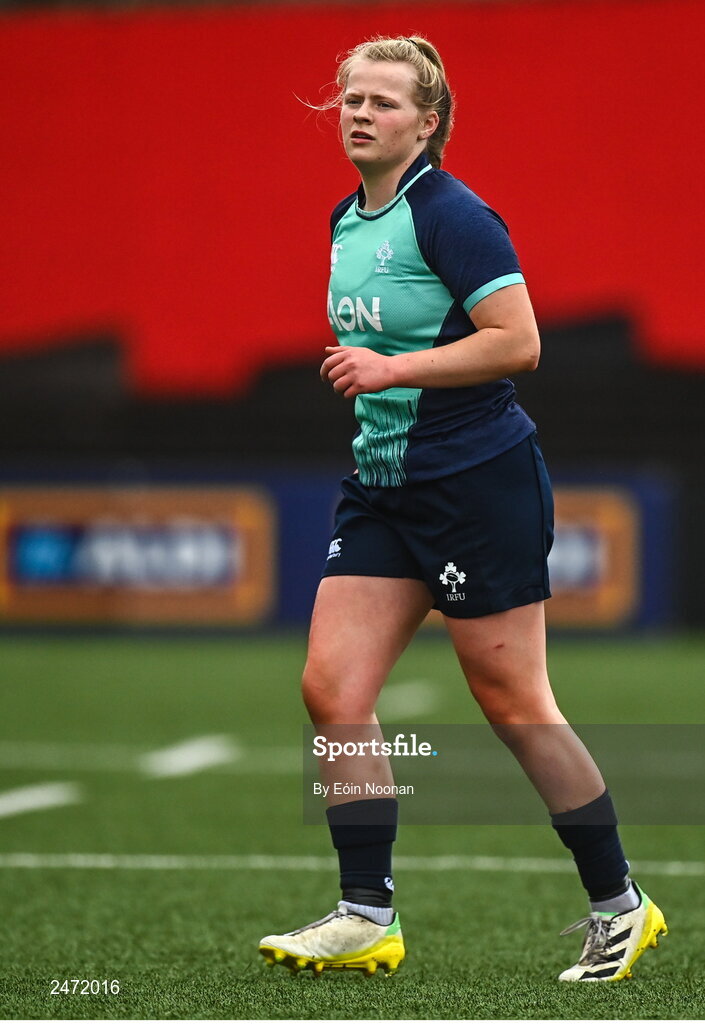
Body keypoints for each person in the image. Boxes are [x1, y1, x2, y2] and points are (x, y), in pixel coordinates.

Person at [258, 34, 666, 982]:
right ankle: (366, 914)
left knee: (514, 702)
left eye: (384, 103)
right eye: (350, 99)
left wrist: (392, 368)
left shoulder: (452, 213)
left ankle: (620, 905)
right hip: (382, 486)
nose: (360, 113)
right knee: (333, 691)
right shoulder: (345, 217)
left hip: (477, 484)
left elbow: (518, 343)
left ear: (426, 122)